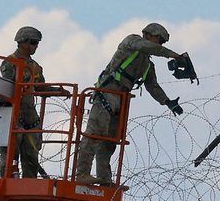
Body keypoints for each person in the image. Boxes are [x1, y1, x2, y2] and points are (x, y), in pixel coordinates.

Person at [73, 22, 187, 186]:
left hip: (122, 99)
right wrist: (174, 55)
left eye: (162, 42)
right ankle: (82, 174)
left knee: (111, 140)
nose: (159, 44)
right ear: (147, 34)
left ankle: (104, 179)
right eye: (159, 40)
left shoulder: (147, 64)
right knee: (94, 133)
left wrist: (168, 102)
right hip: (107, 93)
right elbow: (150, 48)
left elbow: (152, 86)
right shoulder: (132, 42)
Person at [0, 26, 67, 178]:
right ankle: (6, 180)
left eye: (37, 43)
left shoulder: (35, 66)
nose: (36, 46)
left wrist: (58, 91)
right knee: (9, 154)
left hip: (30, 117)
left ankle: (27, 183)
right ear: (23, 42)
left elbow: (40, 87)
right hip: (12, 114)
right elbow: (7, 85)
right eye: (34, 43)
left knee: (31, 157)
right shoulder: (10, 62)